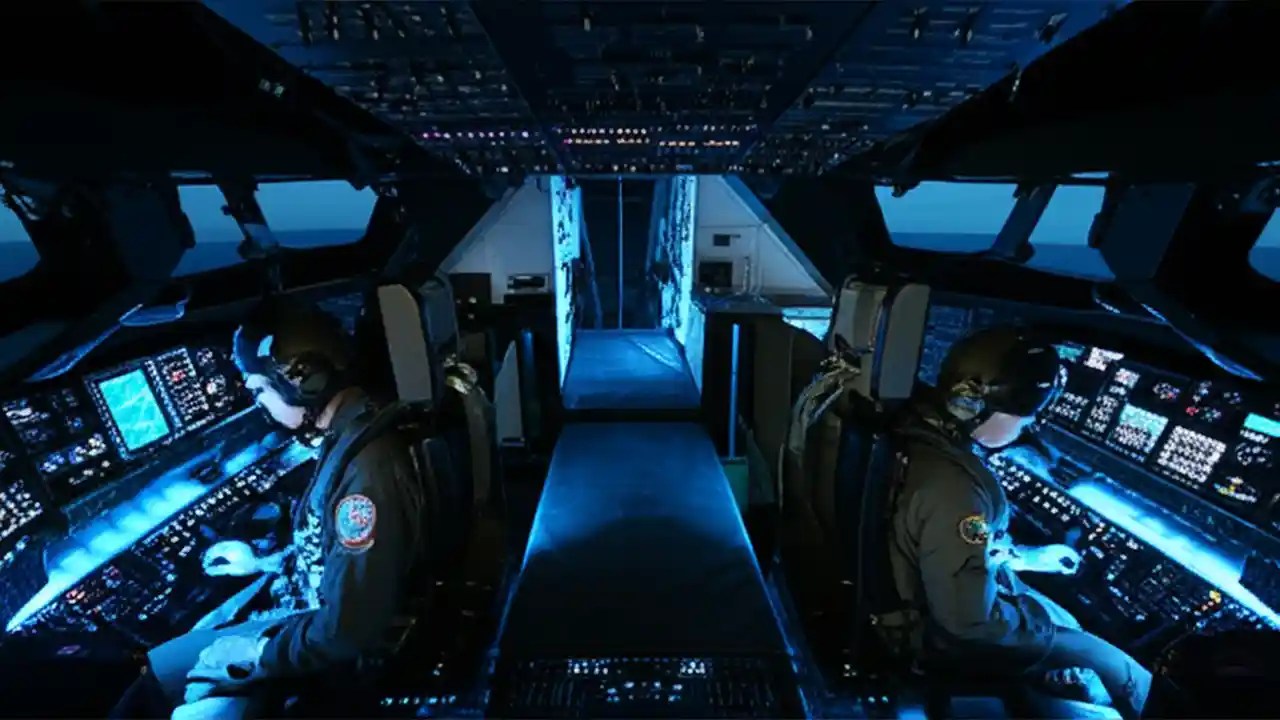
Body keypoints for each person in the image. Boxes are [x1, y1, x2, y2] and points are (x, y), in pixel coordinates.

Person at [113, 298, 425, 719]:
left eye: (259, 389)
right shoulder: (352, 433)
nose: (259, 404)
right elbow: (329, 555)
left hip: (315, 631)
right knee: (180, 647)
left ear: (302, 380)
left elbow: (348, 628)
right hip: (303, 606)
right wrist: (264, 562)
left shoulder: (367, 473)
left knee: (150, 682)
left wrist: (258, 654)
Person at [881, 326, 1152, 719]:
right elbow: (969, 623)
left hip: (926, 598)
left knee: (1068, 622)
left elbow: (945, 544)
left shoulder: (923, 434)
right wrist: (1075, 646)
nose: (1028, 427)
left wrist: (1024, 557)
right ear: (981, 407)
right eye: (1024, 419)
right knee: (1116, 668)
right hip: (938, 640)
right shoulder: (957, 491)